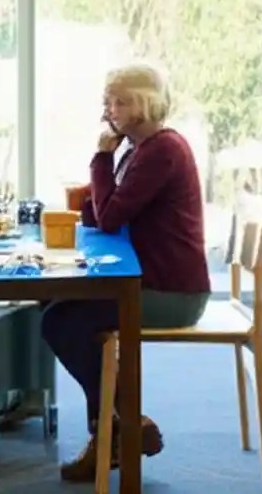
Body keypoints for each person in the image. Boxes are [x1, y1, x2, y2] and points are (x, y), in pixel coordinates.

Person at [40, 62, 211, 481]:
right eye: (107, 102)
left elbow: (111, 217)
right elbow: (103, 214)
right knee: (56, 305)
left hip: (173, 294)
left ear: (142, 104)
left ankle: (117, 428)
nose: (108, 111)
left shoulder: (161, 151)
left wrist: (101, 157)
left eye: (117, 102)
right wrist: (99, 187)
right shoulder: (139, 150)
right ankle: (117, 428)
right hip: (150, 280)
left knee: (61, 321)